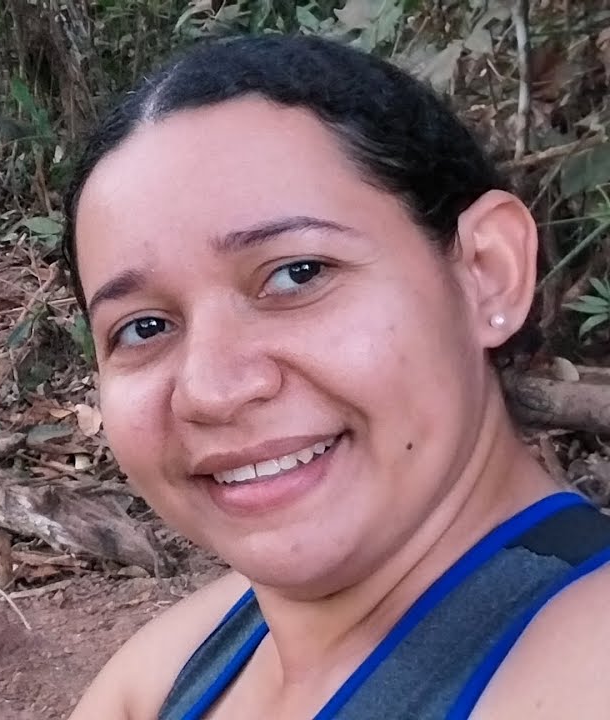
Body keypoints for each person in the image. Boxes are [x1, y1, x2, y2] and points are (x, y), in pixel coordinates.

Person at [62, 33, 610, 720]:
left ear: (487, 274)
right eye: (143, 328)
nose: (213, 389)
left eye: (297, 274)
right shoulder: (166, 675)